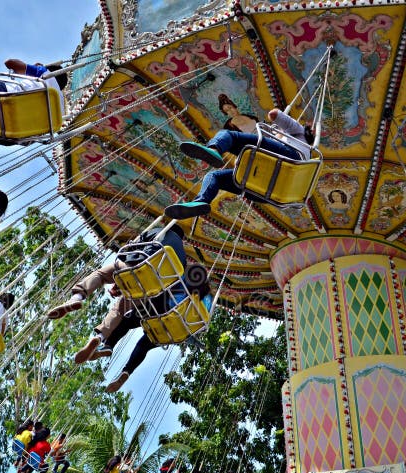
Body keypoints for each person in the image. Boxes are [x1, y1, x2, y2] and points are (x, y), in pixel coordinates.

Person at [164, 108, 313, 220]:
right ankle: (200, 202)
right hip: (276, 192)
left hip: (286, 160)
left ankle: (214, 149)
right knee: (215, 176)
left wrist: (279, 124)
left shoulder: (297, 130)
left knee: (230, 135)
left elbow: (274, 113)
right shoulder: (307, 153)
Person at [70, 224, 188, 365]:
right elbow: (173, 283)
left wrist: (118, 283)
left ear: (170, 228)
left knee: (102, 275)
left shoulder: (159, 231)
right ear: (182, 238)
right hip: (152, 290)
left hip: (138, 269)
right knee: (123, 312)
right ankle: (105, 342)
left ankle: (78, 297)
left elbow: (130, 249)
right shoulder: (183, 259)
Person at [103, 273, 212, 392]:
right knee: (144, 345)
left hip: (163, 310)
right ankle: (127, 371)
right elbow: (198, 326)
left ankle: (108, 345)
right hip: (174, 331)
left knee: (127, 321)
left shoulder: (186, 277)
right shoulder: (208, 302)